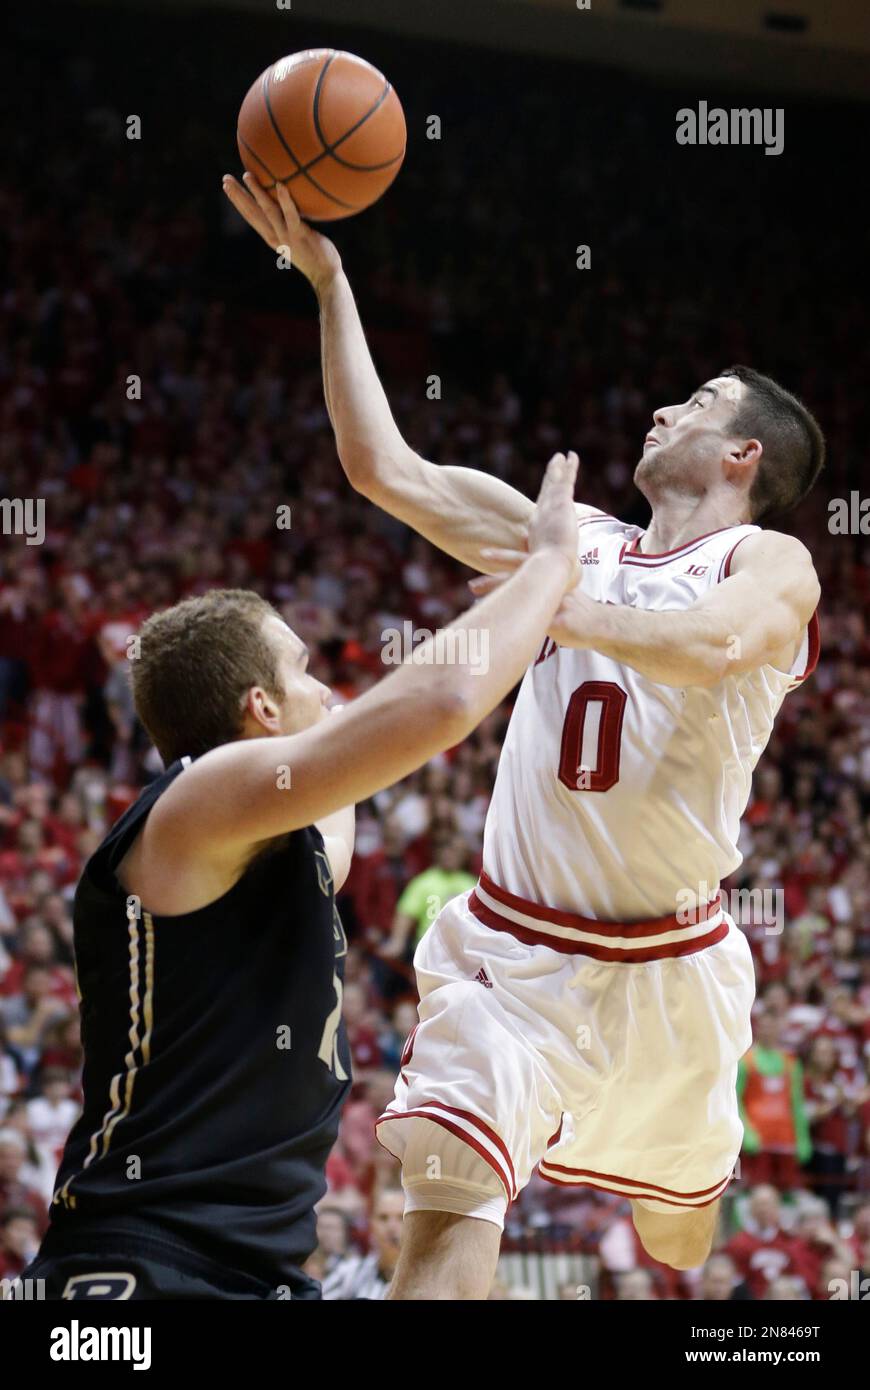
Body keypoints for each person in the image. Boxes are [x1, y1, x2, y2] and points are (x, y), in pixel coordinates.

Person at [223, 176, 822, 1295]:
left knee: (678, 1237)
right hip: (509, 952)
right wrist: (329, 280)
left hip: (670, 966)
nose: (662, 411)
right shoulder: (574, 536)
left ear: (745, 455)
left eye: (696, 403)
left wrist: (549, 598)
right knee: (446, 1216)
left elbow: (713, 644)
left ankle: (670, 1160)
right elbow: (383, 470)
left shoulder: (766, 562)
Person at [17, 458, 582, 1301]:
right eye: (303, 669)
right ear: (262, 710)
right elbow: (442, 704)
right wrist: (549, 567)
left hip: (255, 1272)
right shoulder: (195, 801)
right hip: (139, 1261)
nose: (327, 685)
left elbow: (368, 747)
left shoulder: (287, 838)